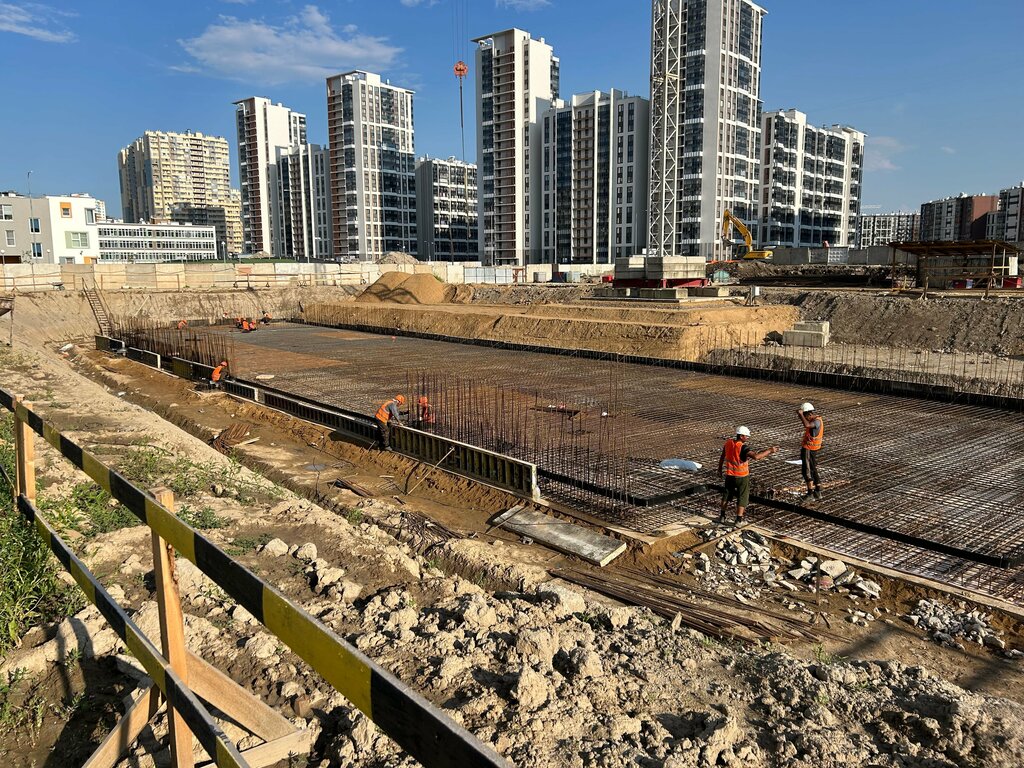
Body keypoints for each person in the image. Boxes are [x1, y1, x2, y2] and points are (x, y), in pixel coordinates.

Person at [717, 426, 778, 524]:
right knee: (742, 497)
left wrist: (719, 468)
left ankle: (722, 516)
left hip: (730, 475)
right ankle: (738, 520)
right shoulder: (742, 447)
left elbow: (722, 455)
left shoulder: (728, 443)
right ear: (741, 436)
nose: (747, 438)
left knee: (726, 495)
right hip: (742, 477)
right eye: (746, 436)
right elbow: (756, 457)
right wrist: (770, 451)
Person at [798, 402, 824, 500]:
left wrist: (801, 415)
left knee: (807, 471)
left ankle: (810, 494)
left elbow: (807, 425)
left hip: (809, 449)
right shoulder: (817, 419)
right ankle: (818, 491)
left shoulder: (816, 422)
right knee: (813, 469)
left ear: (809, 414)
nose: (805, 418)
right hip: (813, 449)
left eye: (805, 416)